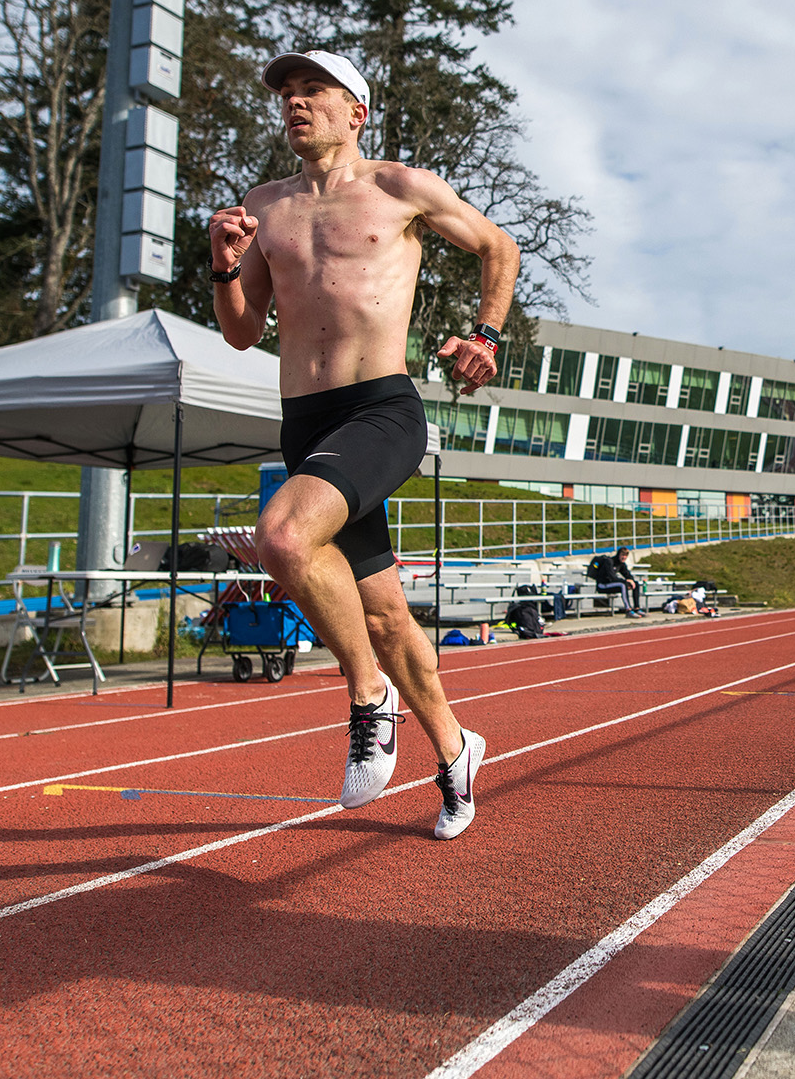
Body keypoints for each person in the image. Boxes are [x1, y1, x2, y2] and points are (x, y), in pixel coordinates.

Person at [210, 48, 519, 841]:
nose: (295, 102)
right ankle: (456, 751)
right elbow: (244, 333)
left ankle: (367, 698)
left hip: (381, 409)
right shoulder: (264, 206)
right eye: (287, 92)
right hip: (306, 422)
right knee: (381, 614)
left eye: (314, 89)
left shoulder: (399, 188)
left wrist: (486, 335)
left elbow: (498, 246)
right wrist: (221, 268)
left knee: (281, 535)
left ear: (357, 111)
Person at [587, 548, 645, 616]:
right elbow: (612, 578)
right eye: (622, 555)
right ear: (618, 555)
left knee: (636, 584)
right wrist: (626, 581)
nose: (624, 557)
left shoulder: (621, 564)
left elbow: (627, 574)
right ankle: (628, 610)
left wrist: (631, 581)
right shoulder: (609, 562)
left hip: (611, 585)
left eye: (626, 555)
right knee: (623, 584)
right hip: (602, 585)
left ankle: (637, 608)